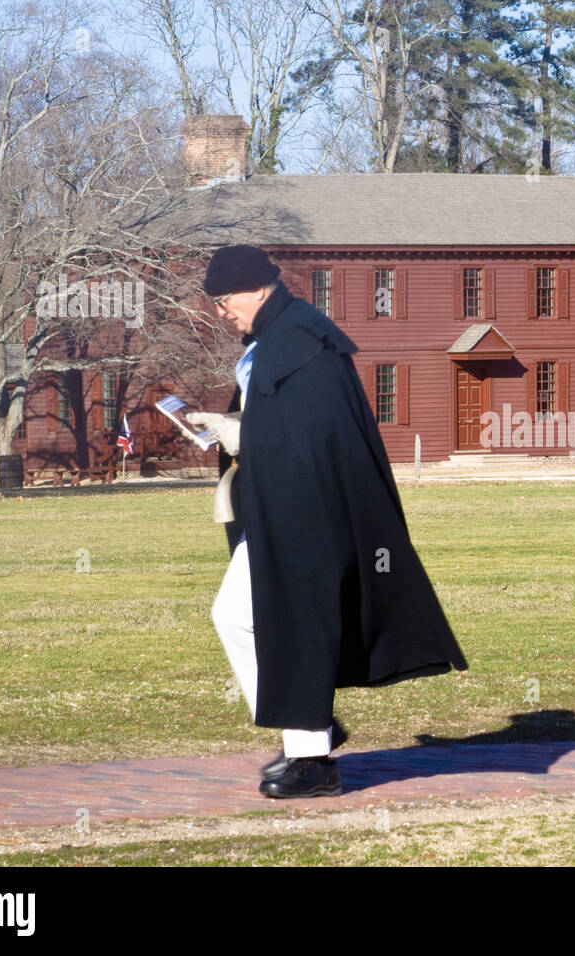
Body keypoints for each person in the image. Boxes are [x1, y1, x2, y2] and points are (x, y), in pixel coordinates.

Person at [187, 244, 468, 799]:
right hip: (282, 510)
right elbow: (286, 426)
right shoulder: (278, 339)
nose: (222, 312)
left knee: (296, 622)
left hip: (309, 516)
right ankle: (312, 728)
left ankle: (312, 761)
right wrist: (234, 428)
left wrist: (244, 435)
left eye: (224, 301)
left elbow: (316, 438)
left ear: (258, 289)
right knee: (236, 615)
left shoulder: (298, 341)